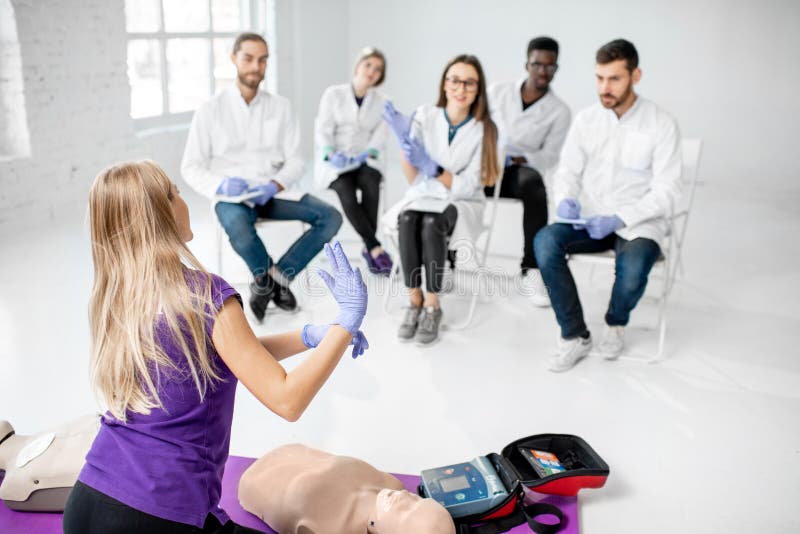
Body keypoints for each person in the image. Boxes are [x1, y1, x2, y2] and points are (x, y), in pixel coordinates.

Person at [63, 160, 369, 534]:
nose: (183, 200)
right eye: (174, 192)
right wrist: (347, 324)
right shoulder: (206, 294)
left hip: (87, 502)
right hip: (161, 516)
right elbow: (288, 400)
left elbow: (227, 354)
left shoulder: (121, 296)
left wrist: (312, 335)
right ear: (159, 213)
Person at [534, 39, 682, 371]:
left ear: (635, 76)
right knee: (545, 241)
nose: (605, 87)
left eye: (614, 78)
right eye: (600, 78)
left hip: (639, 223)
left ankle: (615, 323)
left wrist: (621, 218)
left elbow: (668, 190)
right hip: (590, 218)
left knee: (632, 270)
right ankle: (574, 335)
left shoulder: (661, 124)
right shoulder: (587, 119)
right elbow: (567, 170)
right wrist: (567, 199)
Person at [181, 32, 343, 322]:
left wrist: (274, 184)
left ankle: (271, 280)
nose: (256, 66)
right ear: (234, 59)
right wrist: (221, 185)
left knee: (331, 217)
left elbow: (296, 159)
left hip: (273, 193)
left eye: (262, 60)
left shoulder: (281, 107)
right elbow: (191, 166)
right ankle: (273, 283)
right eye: (248, 58)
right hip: (231, 197)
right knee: (240, 230)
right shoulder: (210, 110)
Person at [382, 55, 500, 345]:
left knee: (432, 221)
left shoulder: (485, 129)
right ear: (444, 84)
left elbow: (470, 184)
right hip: (424, 195)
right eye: (454, 80)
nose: (461, 88)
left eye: (469, 82)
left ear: (478, 89)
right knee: (408, 218)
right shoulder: (425, 115)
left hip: (462, 202)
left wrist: (433, 168)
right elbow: (413, 179)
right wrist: (404, 143)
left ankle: (433, 305)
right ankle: (415, 300)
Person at [487, 36, 571, 306]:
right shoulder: (497, 92)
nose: (543, 71)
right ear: (527, 64)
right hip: (485, 166)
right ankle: (445, 260)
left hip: (517, 172)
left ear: (556, 68)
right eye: (538, 64)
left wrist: (518, 157)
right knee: (452, 181)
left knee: (535, 185)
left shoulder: (560, 111)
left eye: (550, 66)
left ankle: (531, 269)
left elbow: (548, 157)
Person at [238, 444, 456, 534]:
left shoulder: (334, 528)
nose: (405, 498)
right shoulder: (390, 484)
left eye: (406, 513)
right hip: (288, 453)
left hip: (257, 481)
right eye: (417, 500)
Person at [315, 47, 393, 276]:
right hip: (336, 161)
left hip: (364, 159)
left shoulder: (384, 101)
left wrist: (367, 153)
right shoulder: (334, 94)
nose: (372, 71)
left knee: (372, 182)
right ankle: (374, 248)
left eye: (377, 69)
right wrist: (330, 152)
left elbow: (381, 134)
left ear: (381, 76)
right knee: (345, 192)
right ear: (358, 65)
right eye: (368, 65)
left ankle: (371, 247)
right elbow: (323, 128)